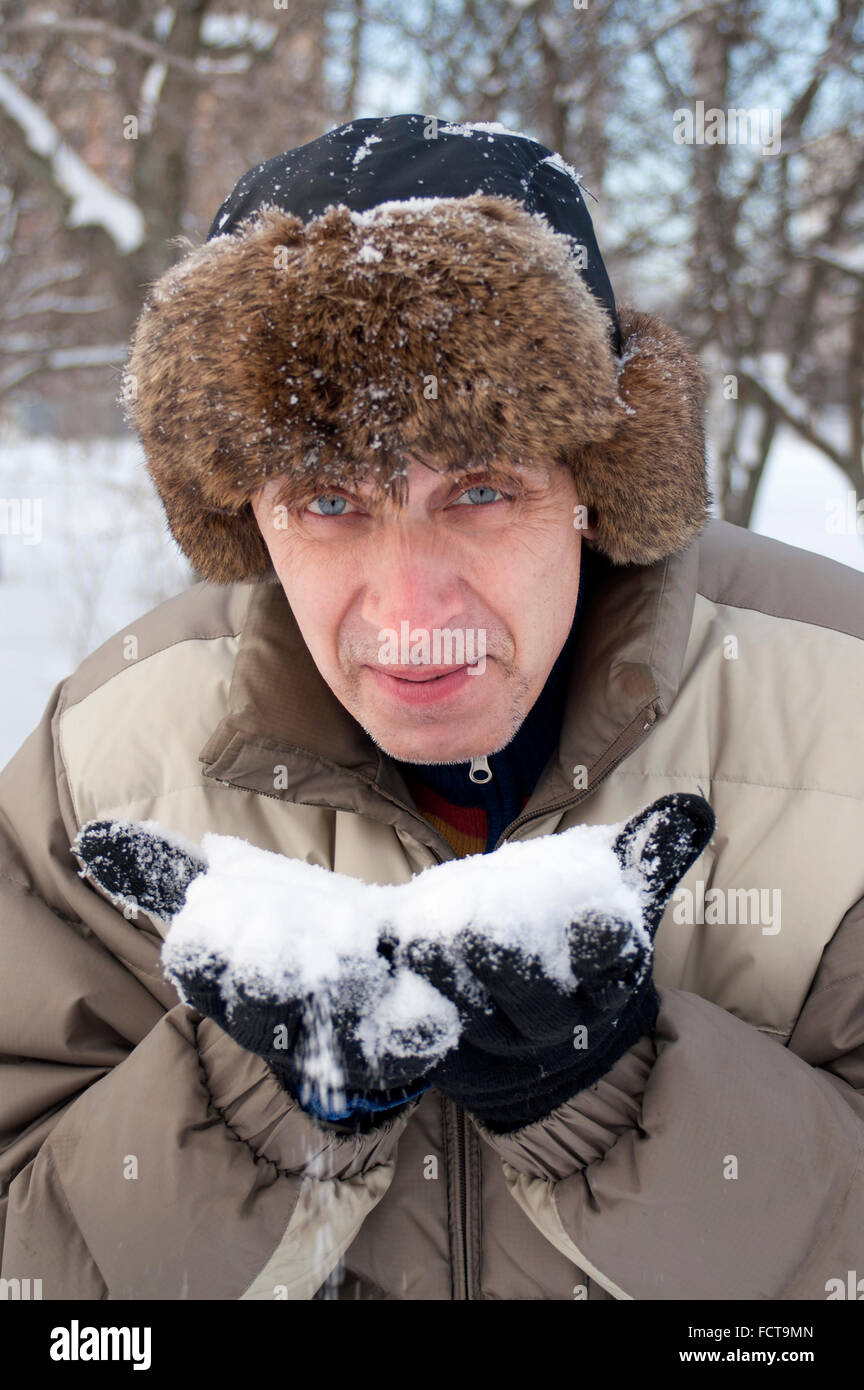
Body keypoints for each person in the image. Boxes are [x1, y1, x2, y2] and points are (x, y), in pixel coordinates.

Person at [1, 114, 862, 1302]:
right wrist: (260, 1112)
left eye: (481, 487)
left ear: (599, 485)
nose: (412, 608)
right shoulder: (96, 766)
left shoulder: (844, 714)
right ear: (247, 515)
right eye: (329, 499)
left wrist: (617, 1094)